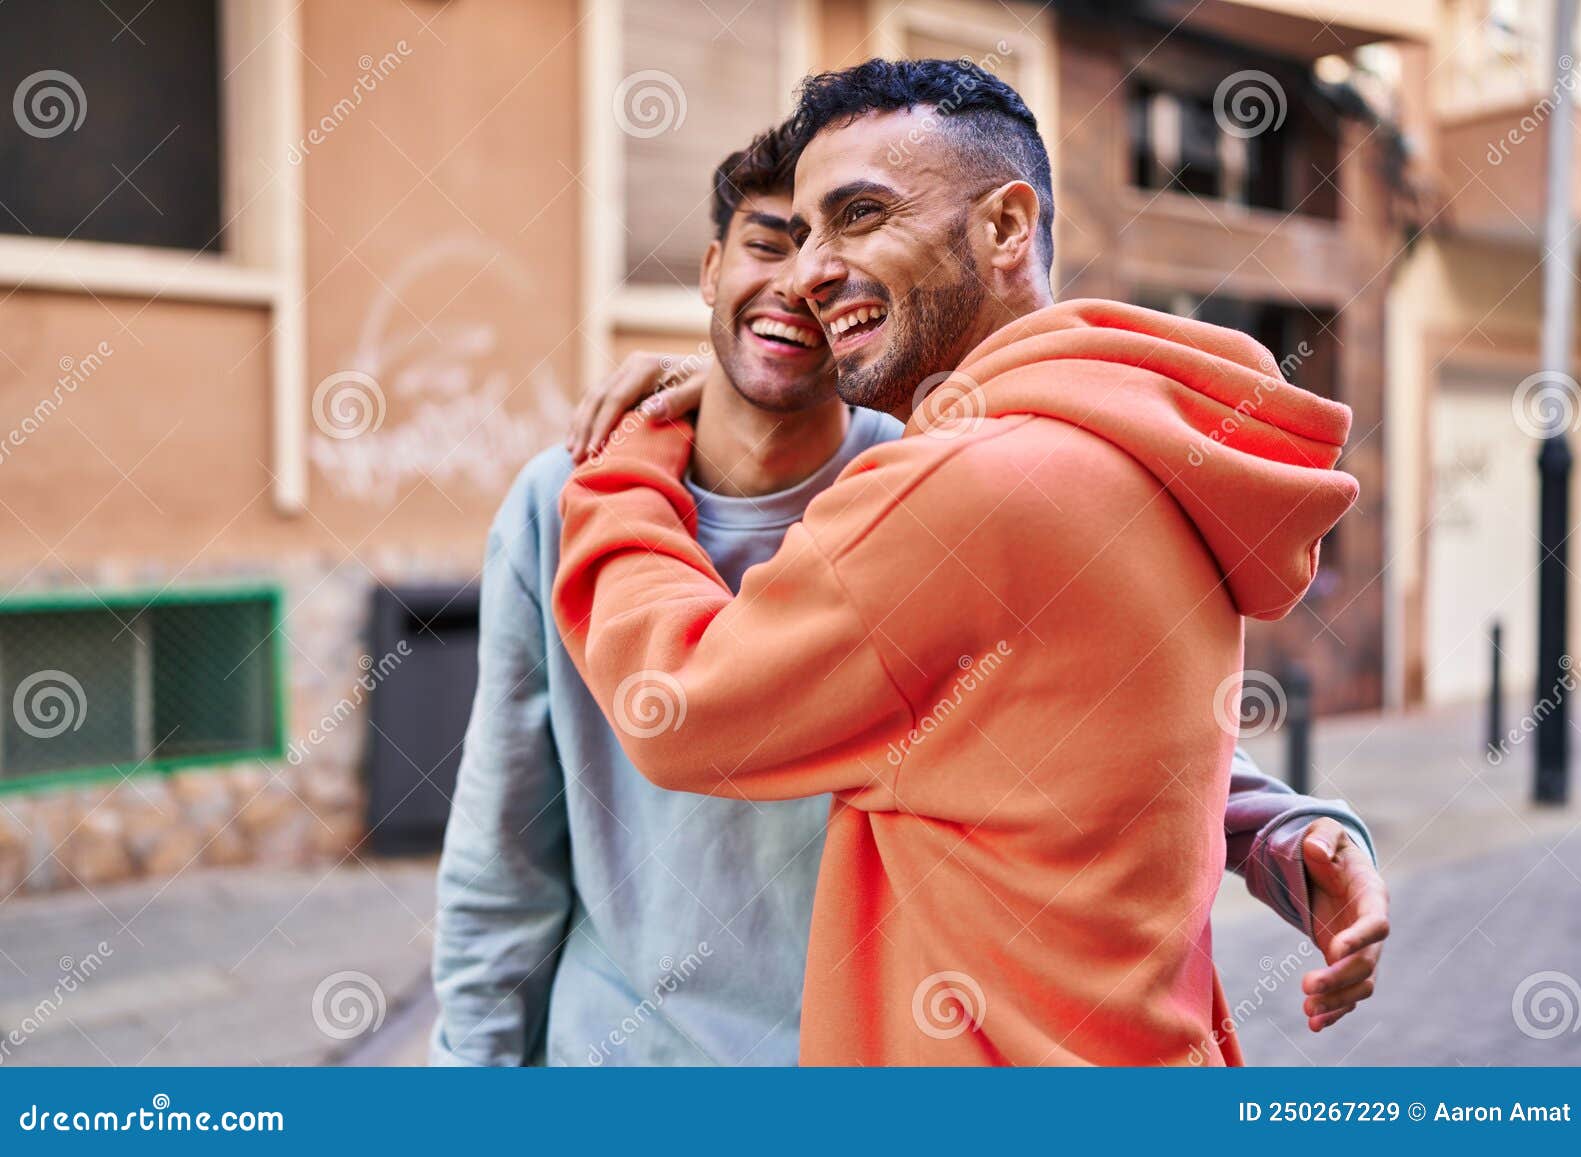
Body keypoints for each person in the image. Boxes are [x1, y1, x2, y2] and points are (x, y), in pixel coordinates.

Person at [433, 117, 1384, 1068]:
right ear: (711, 268)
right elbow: (500, 858)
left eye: (851, 225)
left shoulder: (923, 482)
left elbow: (1090, 725)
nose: (804, 276)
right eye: (776, 241)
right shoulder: (556, 504)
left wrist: (1283, 831)